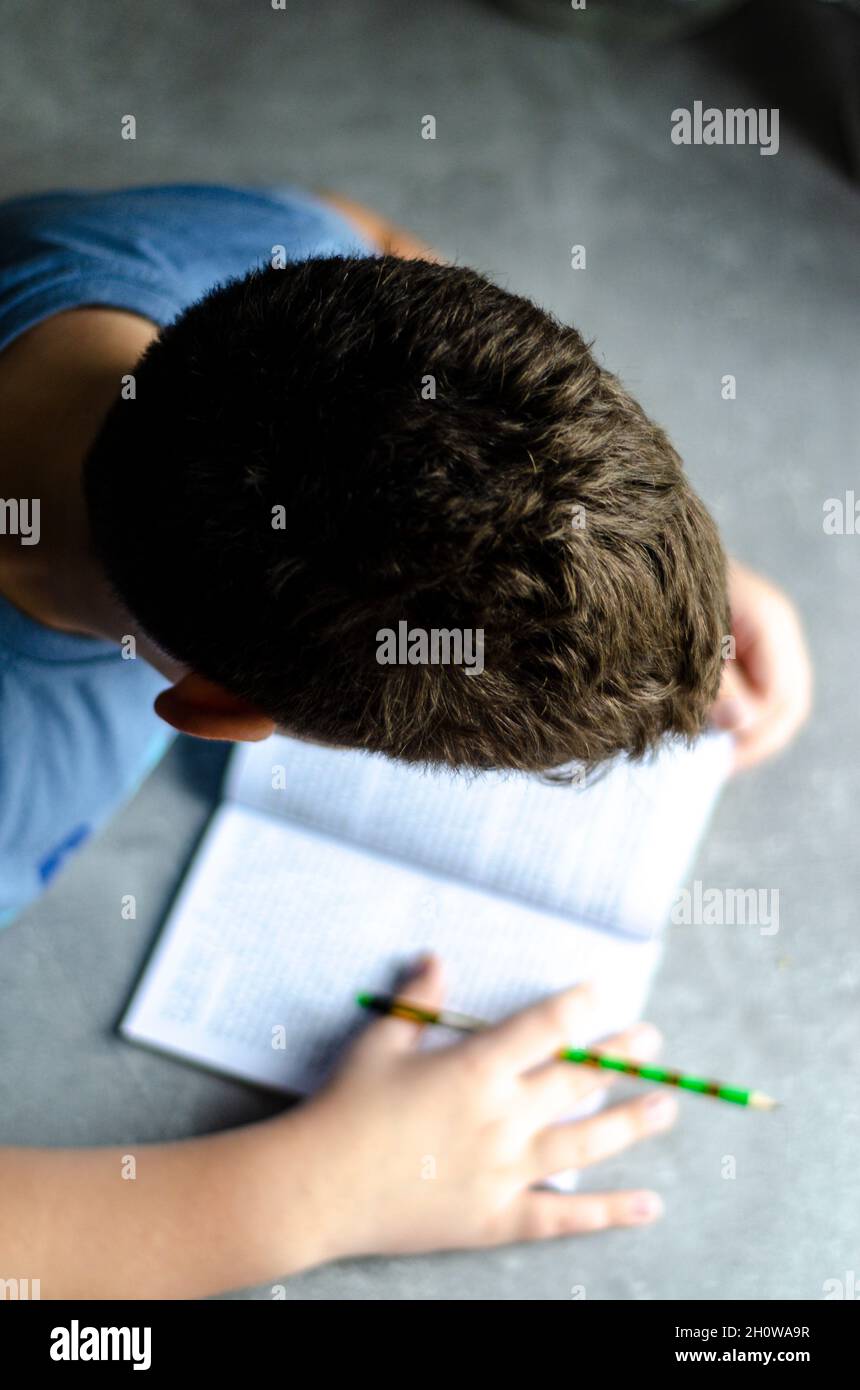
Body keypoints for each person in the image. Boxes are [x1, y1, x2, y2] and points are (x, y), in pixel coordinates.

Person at [0, 183, 810, 1295]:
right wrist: (318, 1191)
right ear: (221, 712)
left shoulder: (204, 252)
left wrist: (647, 556)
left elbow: (367, 238)